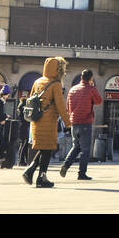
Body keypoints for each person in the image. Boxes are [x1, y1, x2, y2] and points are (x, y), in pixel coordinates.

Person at [22, 57, 70, 187]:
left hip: (36, 120)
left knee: (44, 149)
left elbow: (30, 100)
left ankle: (31, 172)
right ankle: (40, 177)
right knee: (47, 149)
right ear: (58, 69)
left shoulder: (37, 82)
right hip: (48, 121)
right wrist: (68, 123)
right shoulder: (55, 84)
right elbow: (60, 106)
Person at [61, 69, 104, 179]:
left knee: (76, 146)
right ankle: (81, 173)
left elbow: (68, 107)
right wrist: (92, 87)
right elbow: (99, 101)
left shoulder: (72, 89)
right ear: (90, 78)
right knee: (85, 150)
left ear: (81, 77)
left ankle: (65, 165)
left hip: (74, 123)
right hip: (85, 122)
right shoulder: (90, 89)